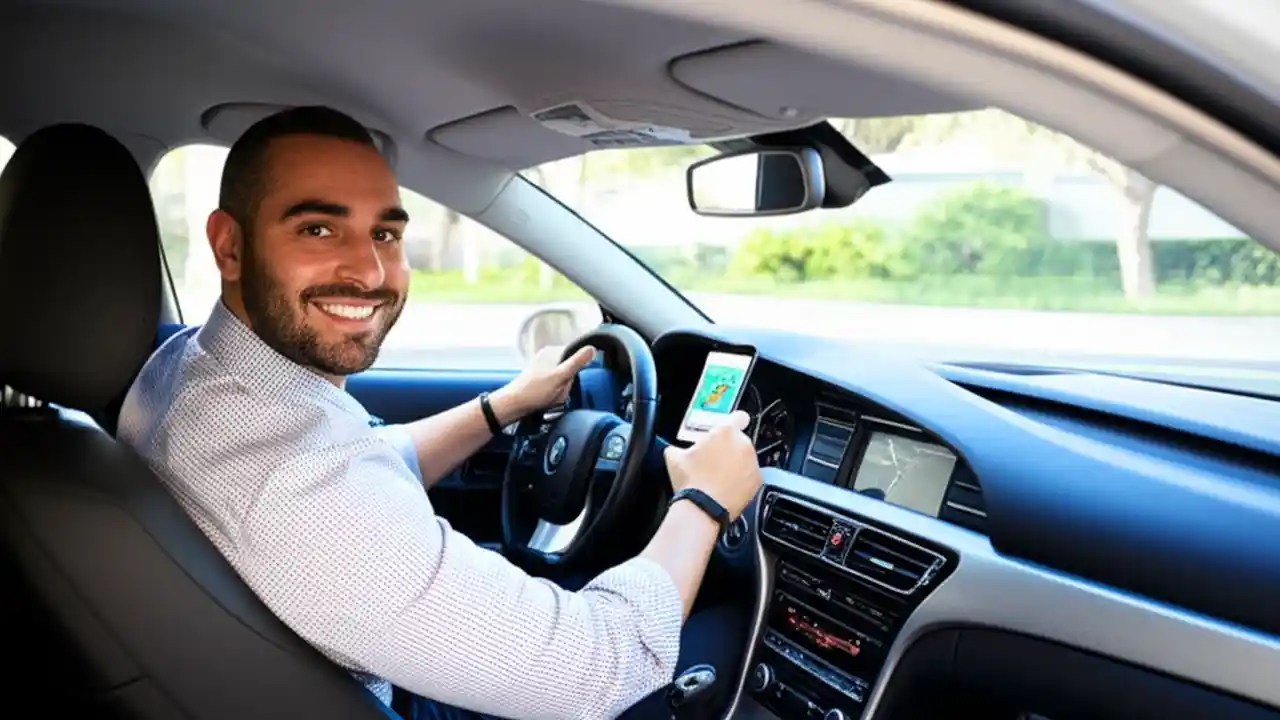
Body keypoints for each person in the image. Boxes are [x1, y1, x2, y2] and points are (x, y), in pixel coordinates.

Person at [117, 105, 763, 720]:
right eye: (318, 229)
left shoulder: (185, 372)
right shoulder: (302, 491)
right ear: (229, 247)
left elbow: (369, 463)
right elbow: (604, 671)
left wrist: (503, 407)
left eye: (386, 234)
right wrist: (704, 501)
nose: (370, 272)